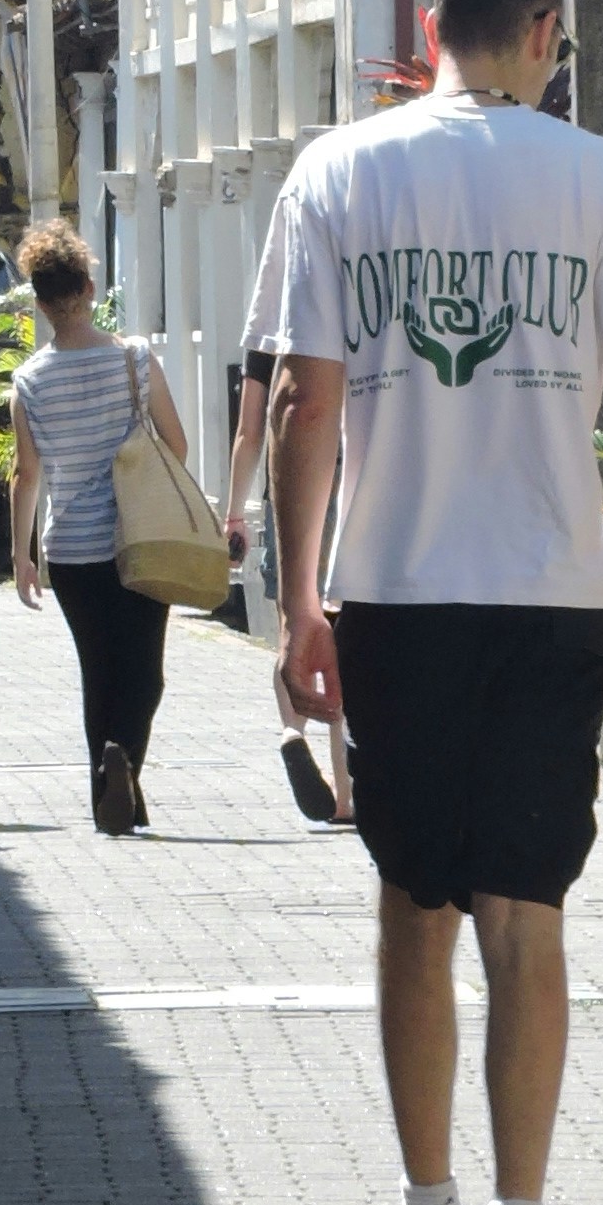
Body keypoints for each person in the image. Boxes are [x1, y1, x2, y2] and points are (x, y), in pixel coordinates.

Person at [270, 0, 603, 1205]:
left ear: (431, 23)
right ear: (545, 35)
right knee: (525, 918)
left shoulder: (340, 170)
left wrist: (293, 601)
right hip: (552, 594)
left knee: (414, 909)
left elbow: (305, 396)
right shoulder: (595, 178)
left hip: (394, 591)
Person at [9, 223, 194, 835]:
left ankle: (110, 791)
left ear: (39, 301)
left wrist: (22, 556)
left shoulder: (29, 382)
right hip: (137, 540)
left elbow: (26, 475)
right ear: (90, 288)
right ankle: (123, 765)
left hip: (70, 550)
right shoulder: (134, 359)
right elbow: (178, 445)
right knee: (144, 672)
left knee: (98, 669)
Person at [223, 302, 338, 827]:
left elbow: (251, 431)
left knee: (294, 624)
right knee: (338, 624)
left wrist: (233, 513)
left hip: (289, 488)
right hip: (344, 480)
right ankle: (346, 792)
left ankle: (293, 730)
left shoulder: (270, 326)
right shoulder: (348, 300)